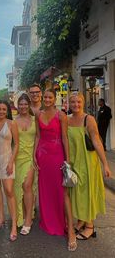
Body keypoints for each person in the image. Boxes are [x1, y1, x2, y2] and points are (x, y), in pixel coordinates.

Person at [35, 88, 77, 251]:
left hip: (57, 155)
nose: (47, 99)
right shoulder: (38, 114)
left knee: (62, 192)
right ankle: (49, 220)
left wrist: (67, 160)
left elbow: (65, 137)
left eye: (49, 97)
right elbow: (37, 136)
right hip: (43, 156)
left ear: (54, 98)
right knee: (46, 190)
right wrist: (34, 155)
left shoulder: (61, 116)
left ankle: (71, 230)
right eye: (44, 97)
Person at [68, 92, 112, 240]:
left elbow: (97, 141)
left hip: (88, 162)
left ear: (83, 102)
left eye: (78, 102)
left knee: (86, 193)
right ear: (69, 103)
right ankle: (81, 221)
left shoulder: (89, 119)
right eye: (73, 102)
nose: (76, 105)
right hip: (74, 162)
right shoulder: (67, 120)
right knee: (77, 193)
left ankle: (90, 227)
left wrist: (105, 164)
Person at [0, 100, 19, 242]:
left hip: (7, 159)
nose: (1, 111)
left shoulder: (11, 124)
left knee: (8, 190)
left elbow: (17, 144)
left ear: (7, 111)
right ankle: (1, 217)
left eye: (3, 109)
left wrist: (11, 161)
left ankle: (13, 223)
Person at [15, 94, 36, 234]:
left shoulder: (35, 120)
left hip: (30, 157)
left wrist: (36, 154)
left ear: (29, 105)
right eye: (20, 104)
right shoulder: (13, 121)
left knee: (27, 185)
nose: (23, 107)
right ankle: (21, 215)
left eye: (25, 104)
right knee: (19, 189)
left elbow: (40, 137)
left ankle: (28, 219)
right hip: (17, 158)